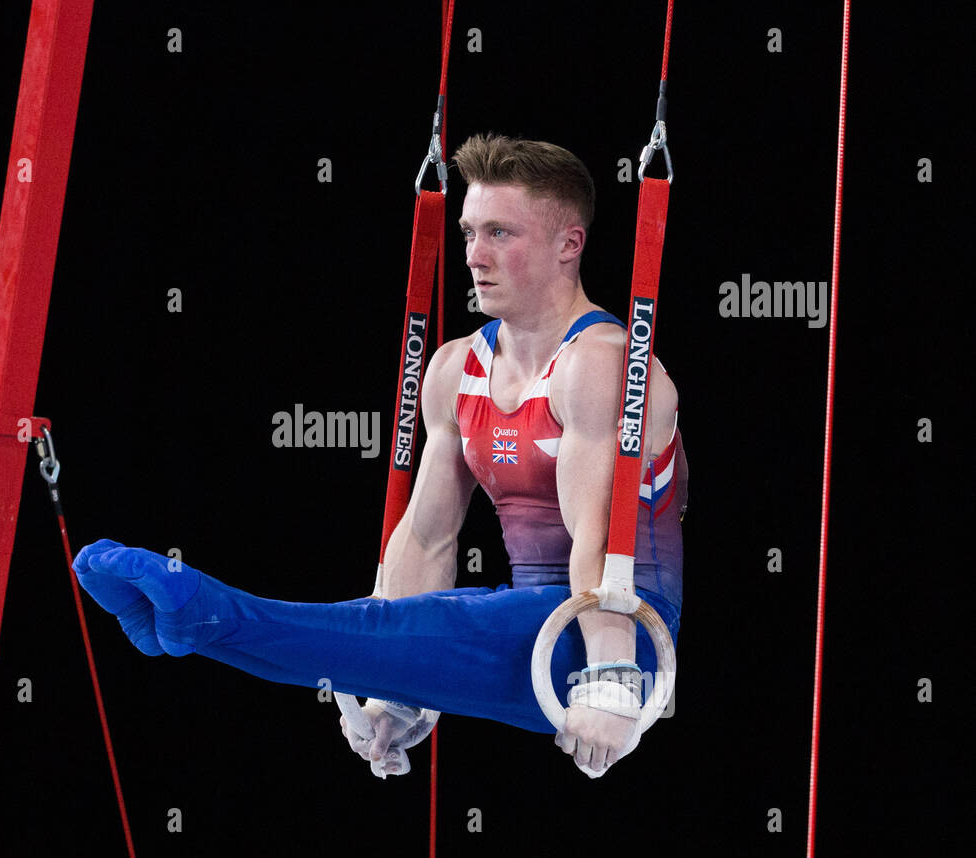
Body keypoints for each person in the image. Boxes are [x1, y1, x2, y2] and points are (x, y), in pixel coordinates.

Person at [74, 134, 687, 778]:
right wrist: (396, 693)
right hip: (521, 626)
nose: (476, 256)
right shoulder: (455, 370)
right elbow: (425, 538)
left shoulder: (601, 362)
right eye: (469, 232)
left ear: (570, 244)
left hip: (622, 627)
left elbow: (598, 537)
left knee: (416, 628)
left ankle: (204, 611)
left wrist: (610, 680)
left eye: (502, 233)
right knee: (385, 633)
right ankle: (197, 624)